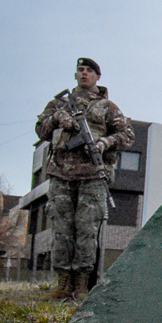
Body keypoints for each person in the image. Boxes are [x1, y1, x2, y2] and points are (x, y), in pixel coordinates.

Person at [36, 58, 134, 299]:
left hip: (92, 176)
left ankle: (82, 285)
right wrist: (57, 118)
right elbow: (41, 129)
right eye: (80, 70)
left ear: (98, 77)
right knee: (62, 230)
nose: (84, 73)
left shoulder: (106, 107)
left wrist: (105, 142)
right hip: (61, 175)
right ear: (75, 75)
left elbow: (127, 134)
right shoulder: (59, 104)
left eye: (89, 71)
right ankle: (63, 284)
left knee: (86, 231)